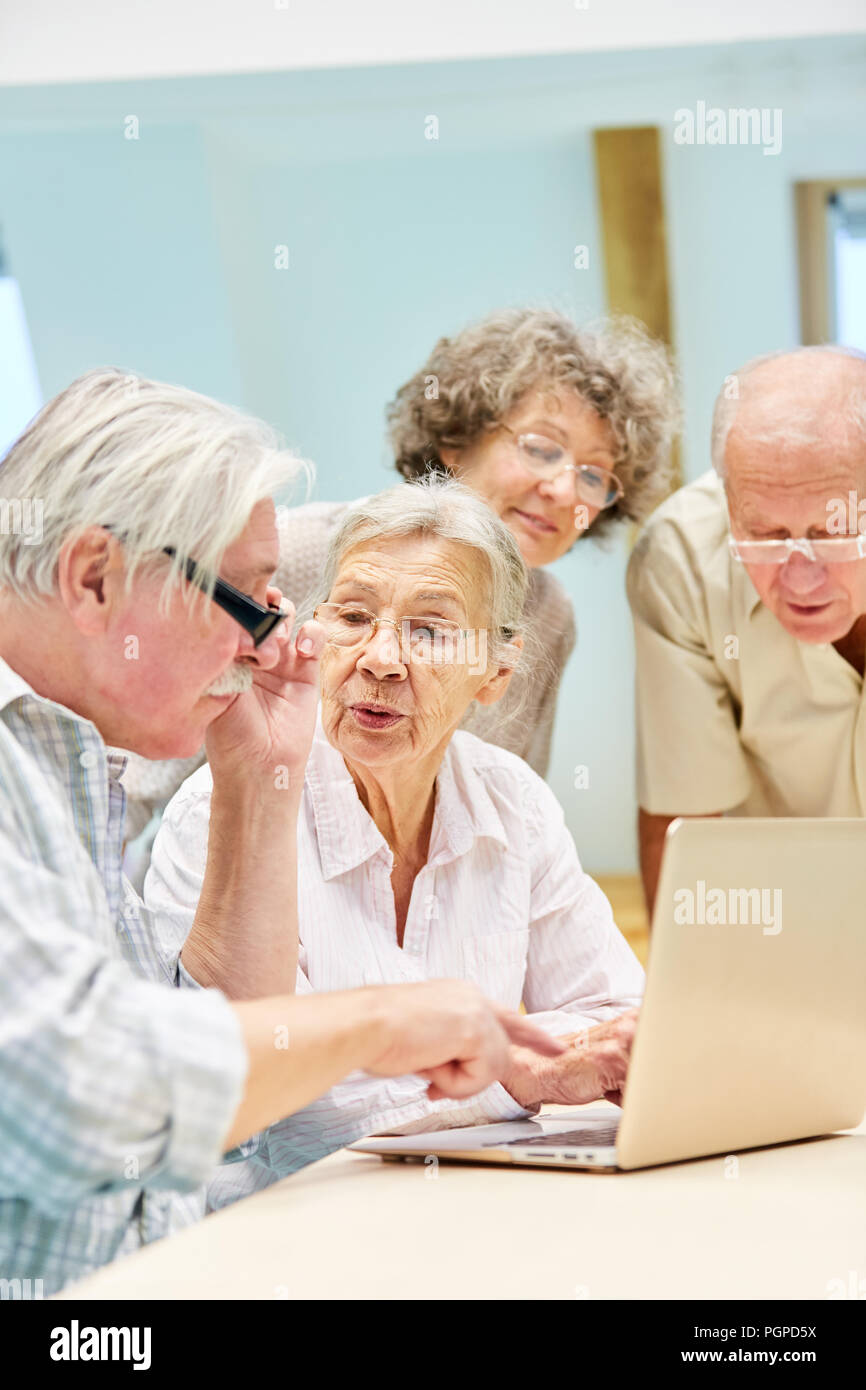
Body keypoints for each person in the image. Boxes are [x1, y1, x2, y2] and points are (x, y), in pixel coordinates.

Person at [0, 369, 563, 1295]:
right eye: (249, 604)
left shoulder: (69, 759)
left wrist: (261, 779)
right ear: (94, 577)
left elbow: (221, 1069)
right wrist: (384, 1018)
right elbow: (87, 1092)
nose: (269, 645)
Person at [145, 477, 643, 1206]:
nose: (380, 659)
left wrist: (540, 1062)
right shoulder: (226, 808)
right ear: (315, 632)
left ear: (496, 672)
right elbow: (289, 1096)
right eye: (352, 615)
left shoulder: (514, 802)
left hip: (478, 1206)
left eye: (430, 631)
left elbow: (614, 1019)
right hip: (287, 1223)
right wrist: (514, 1070)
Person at [122, 307, 678, 845]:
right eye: (541, 448)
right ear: (456, 441)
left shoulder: (548, 614)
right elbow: (132, 784)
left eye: (594, 475)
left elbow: (508, 810)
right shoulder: (295, 552)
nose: (563, 490)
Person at [626, 345, 866, 913]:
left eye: (834, 532)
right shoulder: (683, 554)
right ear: (729, 501)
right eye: (766, 533)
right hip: (791, 910)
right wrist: (685, 999)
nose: (802, 578)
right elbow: (684, 823)